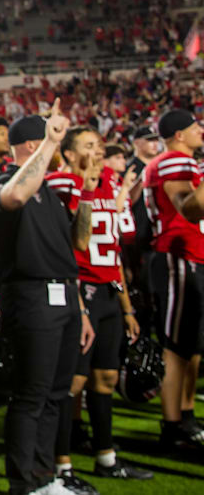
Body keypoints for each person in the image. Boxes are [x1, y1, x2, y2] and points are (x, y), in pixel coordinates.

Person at [0, 103, 97, 495]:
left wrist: (80, 309)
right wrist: (51, 144)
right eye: (49, 140)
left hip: (65, 296)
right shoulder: (4, 180)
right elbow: (15, 196)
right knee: (32, 394)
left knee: (56, 394)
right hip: (31, 295)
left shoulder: (49, 192)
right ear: (35, 144)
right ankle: (24, 483)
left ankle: (45, 477)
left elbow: (75, 246)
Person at [44, 127, 151, 483]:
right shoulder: (61, 183)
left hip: (107, 291)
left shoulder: (109, 180)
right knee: (72, 383)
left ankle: (106, 458)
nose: (99, 151)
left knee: (105, 378)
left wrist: (126, 306)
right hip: (80, 290)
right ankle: (61, 466)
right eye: (89, 146)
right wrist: (86, 188)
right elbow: (73, 243)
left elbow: (114, 251)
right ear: (69, 154)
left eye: (100, 145)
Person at [141, 109, 204, 451]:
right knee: (176, 348)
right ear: (179, 134)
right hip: (178, 255)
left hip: (191, 254)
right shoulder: (174, 161)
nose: (200, 131)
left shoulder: (181, 162)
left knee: (191, 346)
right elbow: (190, 209)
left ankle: (186, 415)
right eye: (196, 127)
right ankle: (172, 425)